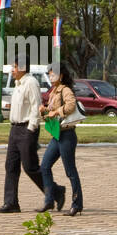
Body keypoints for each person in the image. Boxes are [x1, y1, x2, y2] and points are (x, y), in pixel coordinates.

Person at [0, 59, 47, 213]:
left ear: (23, 68)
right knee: (11, 166)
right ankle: (11, 203)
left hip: (27, 129)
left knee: (30, 167)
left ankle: (53, 192)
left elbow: (35, 106)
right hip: (15, 129)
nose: (12, 70)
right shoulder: (18, 84)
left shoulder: (31, 82)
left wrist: (31, 129)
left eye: (15, 67)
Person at [39, 67, 83, 215]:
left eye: (54, 74)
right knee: (45, 166)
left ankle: (77, 204)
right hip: (57, 135)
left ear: (61, 75)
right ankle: (49, 200)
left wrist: (57, 111)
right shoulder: (53, 92)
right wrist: (44, 111)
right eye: (50, 74)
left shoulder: (65, 90)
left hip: (67, 135)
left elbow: (71, 105)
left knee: (70, 171)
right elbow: (50, 115)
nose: (51, 77)